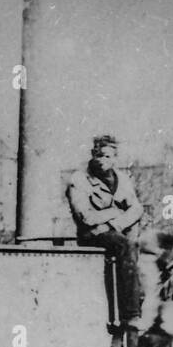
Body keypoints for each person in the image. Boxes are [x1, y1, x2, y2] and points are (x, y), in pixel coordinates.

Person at [66, 133, 145, 331]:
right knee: (124, 245)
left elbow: (137, 209)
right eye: (99, 155)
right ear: (93, 154)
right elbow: (86, 217)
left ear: (115, 158)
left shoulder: (122, 179)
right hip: (92, 236)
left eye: (108, 157)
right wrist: (116, 212)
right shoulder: (79, 179)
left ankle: (137, 302)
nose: (103, 161)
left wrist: (115, 223)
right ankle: (131, 314)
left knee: (133, 246)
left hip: (114, 232)